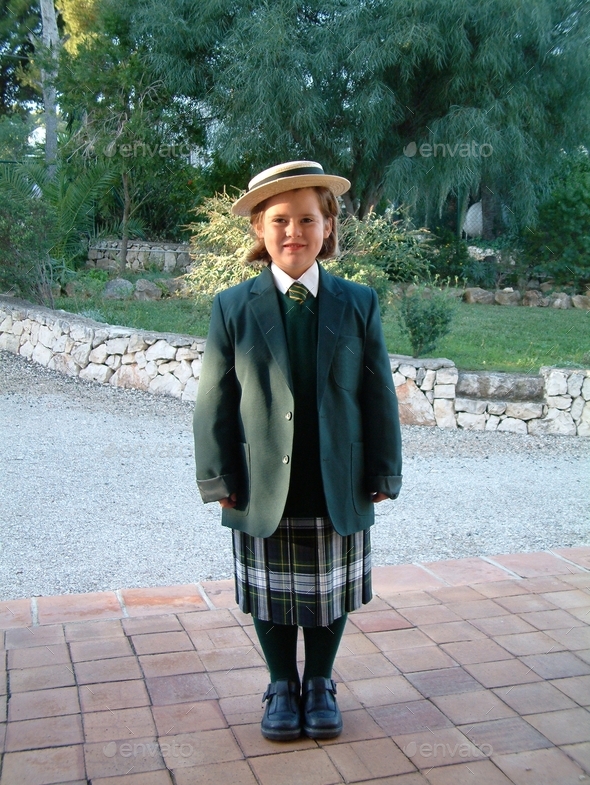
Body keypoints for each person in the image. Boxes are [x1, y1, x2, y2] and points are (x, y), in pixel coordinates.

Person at [193, 160, 402, 741]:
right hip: (262, 479)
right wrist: (217, 476)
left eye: (307, 219)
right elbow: (213, 396)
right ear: (260, 230)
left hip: (338, 474)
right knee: (271, 592)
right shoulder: (233, 307)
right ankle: (282, 683)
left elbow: (378, 390)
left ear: (329, 227)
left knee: (329, 592)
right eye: (279, 220)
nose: (294, 232)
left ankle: (321, 683)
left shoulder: (358, 302)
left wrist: (386, 467)